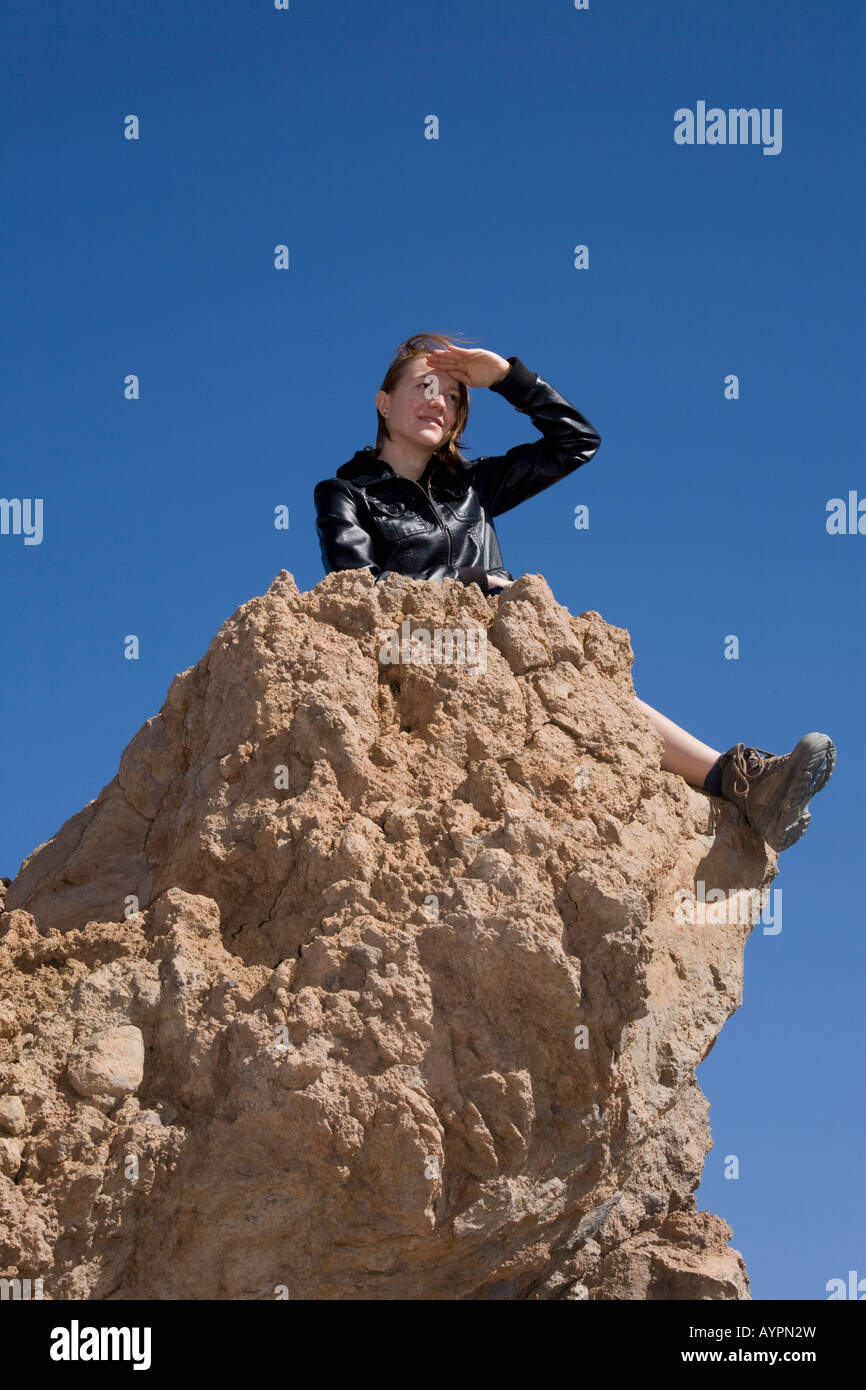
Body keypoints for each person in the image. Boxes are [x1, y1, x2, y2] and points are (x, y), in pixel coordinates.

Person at [313, 332, 835, 852]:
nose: (439, 402)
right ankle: (737, 781)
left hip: (509, 659)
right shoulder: (347, 494)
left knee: (589, 686)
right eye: (424, 386)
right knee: (575, 680)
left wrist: (506, 379)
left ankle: (738, 783)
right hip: (420, 664)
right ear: (383, 403)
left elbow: (577, 442)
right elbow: (358, 593)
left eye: (453, 397)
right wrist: (472, 583)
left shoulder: (473, 488)